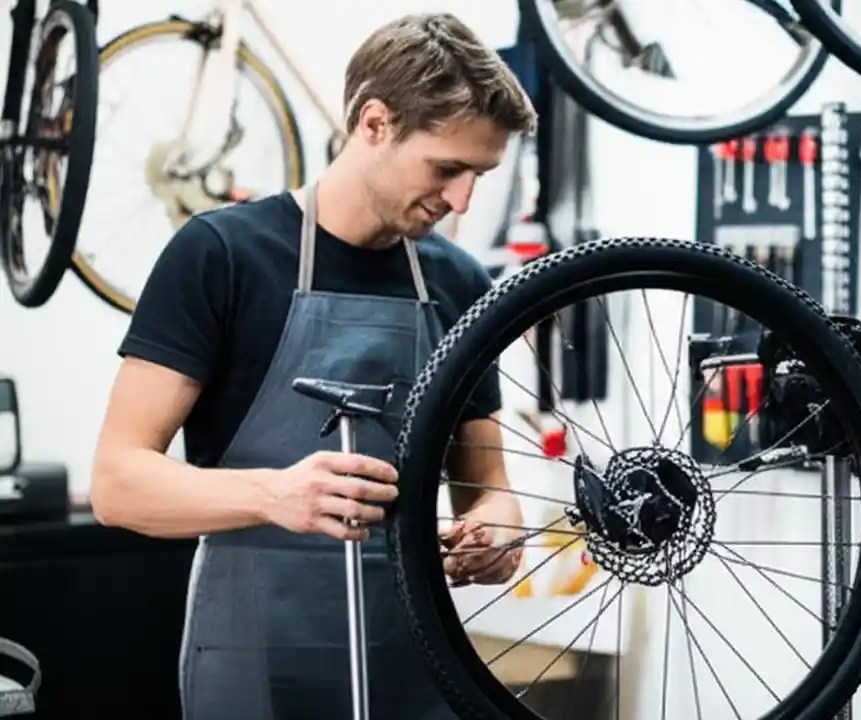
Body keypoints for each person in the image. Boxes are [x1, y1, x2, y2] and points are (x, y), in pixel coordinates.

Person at [89, 13, 538, 719]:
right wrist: (273, 497)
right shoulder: (221, 256)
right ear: (374, 123)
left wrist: (499, 531)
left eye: (478, 175)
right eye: (447, 168)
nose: (461, 201)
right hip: (253, 662)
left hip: (417, 664)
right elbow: (118, 483)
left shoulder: (457, 284)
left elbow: (488, 487)